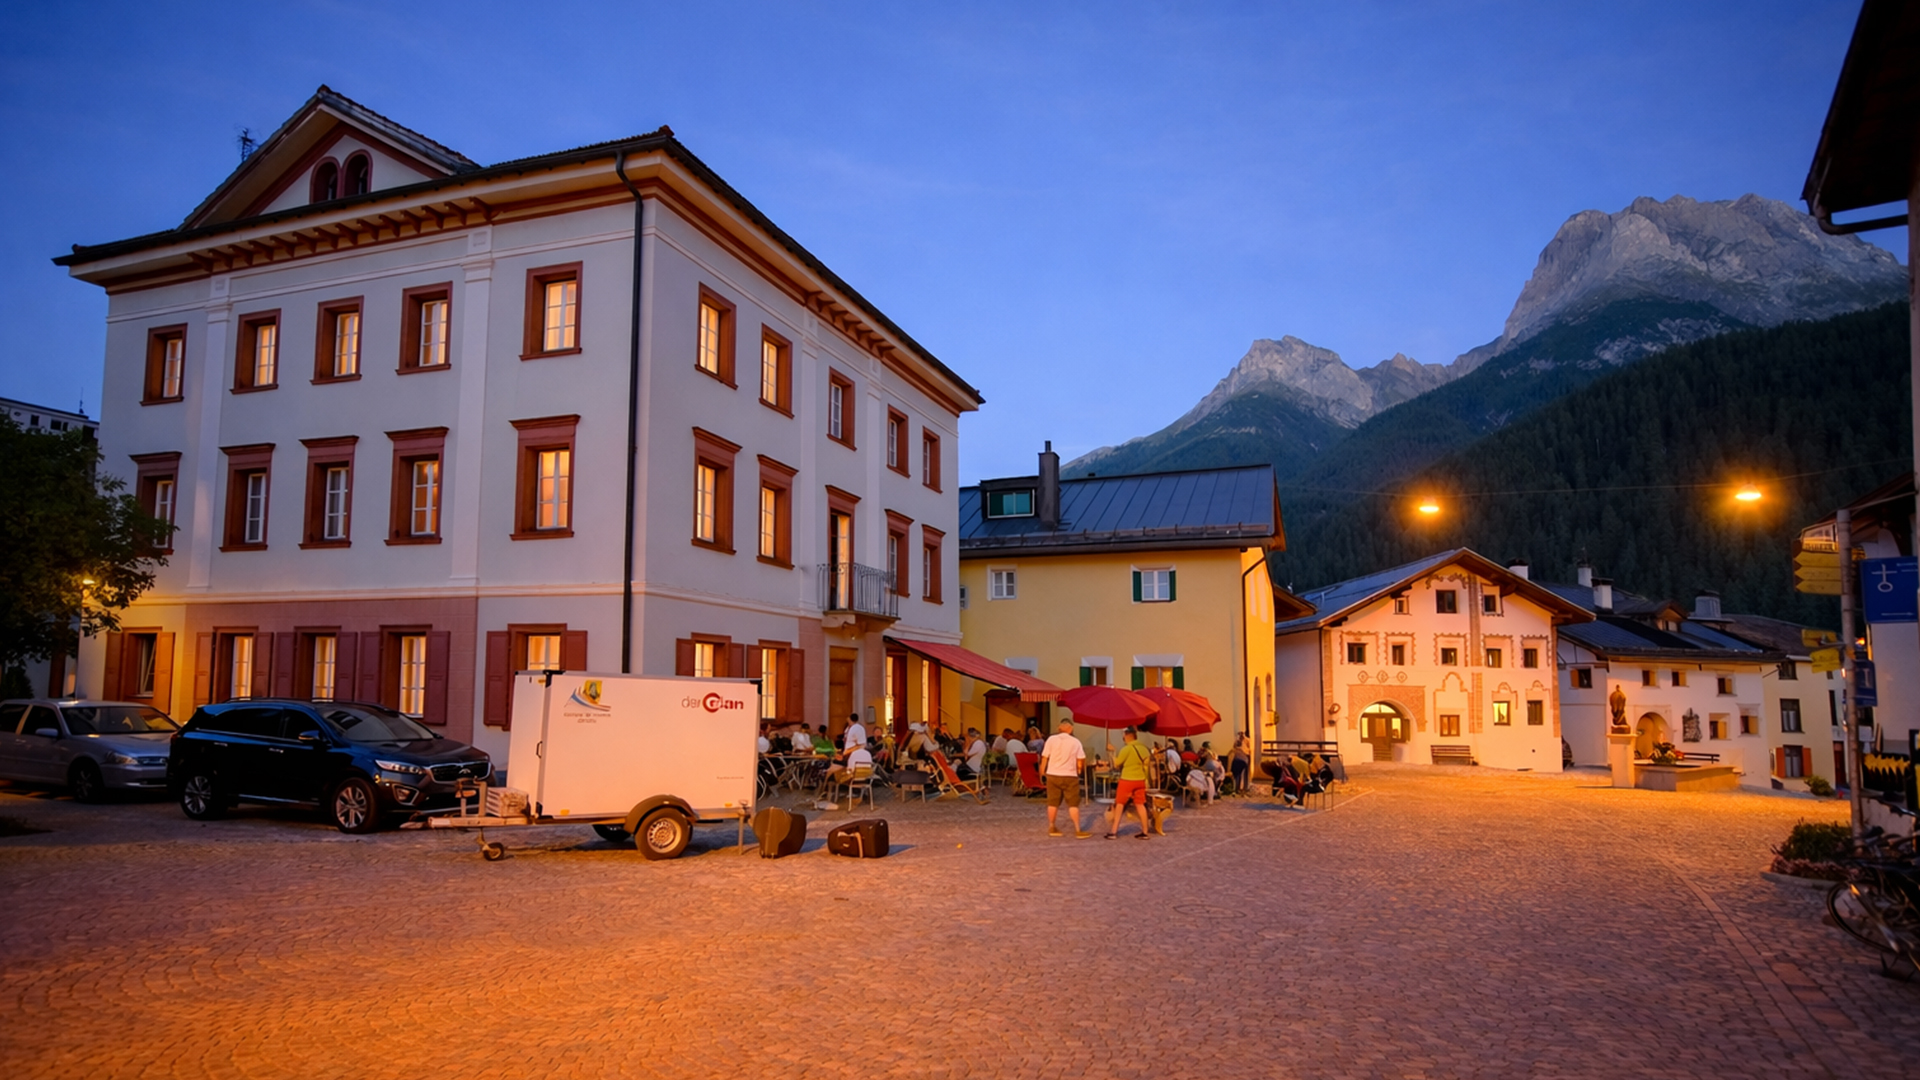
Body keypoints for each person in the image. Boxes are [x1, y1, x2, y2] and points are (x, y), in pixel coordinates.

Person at [1039, 718, 1091, 838]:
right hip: (1070, 775)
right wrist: (1079, 771)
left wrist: (1042, 771)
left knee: (1052, 802)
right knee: (1073, 803)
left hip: (1053, 774)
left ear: (1059, 728)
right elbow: (1080, 760)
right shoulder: (1075, 742)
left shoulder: (1051, 740)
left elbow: (1044, 757)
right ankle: (1078, 829)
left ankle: (1052, 826)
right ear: (1070, 728)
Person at [1104, 727, 1155, 839]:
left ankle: (1114, 831)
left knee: (1120, 804)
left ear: (1126, 736)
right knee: (1140, 804)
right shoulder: (1144, 749)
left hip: (1127, 779)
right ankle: (1145, 832)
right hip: (1140, 780)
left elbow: (1117, 763)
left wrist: (1113, 752)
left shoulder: (1126, 749)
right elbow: (1146, 765)